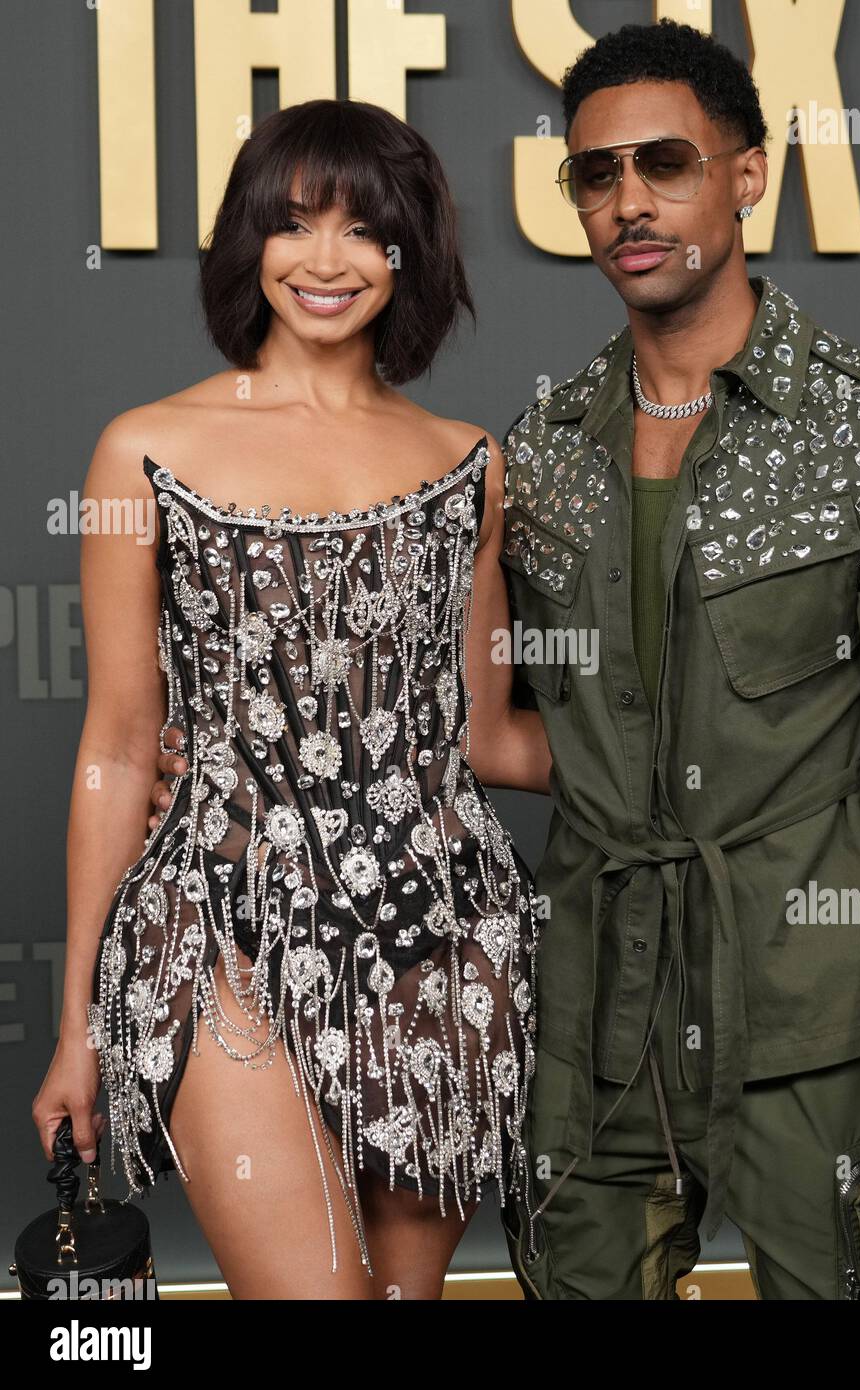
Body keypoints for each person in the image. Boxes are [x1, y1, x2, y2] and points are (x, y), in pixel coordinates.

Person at [149, 21, 860, 1302]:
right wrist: (241, 751)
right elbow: (454, 712)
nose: (628, 203)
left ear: (747, 173)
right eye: (594, 174)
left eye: (664, 164)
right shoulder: (537, 451)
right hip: (589, 1031)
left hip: (816, 1026)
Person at [33, 98, 551, 1301]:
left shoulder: (471, 461)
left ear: (409, 255)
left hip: (446, 936)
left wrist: (739, 755)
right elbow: (116, 744)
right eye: (295, 224)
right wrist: (75, 1026)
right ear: (247, 244)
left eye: (367, 231)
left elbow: (482, 734)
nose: (328, 261)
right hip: (220, 926)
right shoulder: (144, 451)